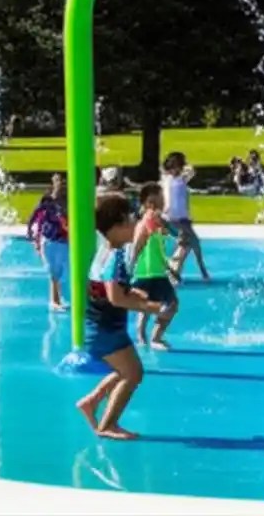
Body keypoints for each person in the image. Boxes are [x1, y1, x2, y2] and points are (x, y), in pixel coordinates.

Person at [75, 193, 171, 440]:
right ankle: (108, 424)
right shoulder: (115, 257)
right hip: (105, 331)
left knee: (123, 370)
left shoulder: (107, 251)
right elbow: (116, 298)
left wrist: (133, 292)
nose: (133, 226)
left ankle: (92, 401)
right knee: (133, 374)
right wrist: (151, 307)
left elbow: (112, 290)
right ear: (115, 228)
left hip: (104, 328)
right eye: (129, 222)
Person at [132, 183, 179, 349]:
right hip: (147, 273)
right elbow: (137, 245)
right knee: (160, 305)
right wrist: (130, 267)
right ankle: (148, 337)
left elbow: (158, 249)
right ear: (151, 202)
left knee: (155, 306)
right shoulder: (146, 221)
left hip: (157, 272)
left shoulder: (156, 222)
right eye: (161, 198)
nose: (164, 201)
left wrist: (169, 268)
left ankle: (150, 338)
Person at [163, 152, 211, 282]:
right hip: (177, 219)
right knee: (191, 243)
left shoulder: (176, 179)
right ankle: (177, 269)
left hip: (180, 220)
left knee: (191, 243)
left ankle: (197, 271)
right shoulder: (171, 180)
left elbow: (192, 170)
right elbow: (191, 171)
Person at [29, 173, 69, 311]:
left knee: (62, 271)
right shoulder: (47, 201)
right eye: (58, 181)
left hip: (64, 240)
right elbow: (36, 218)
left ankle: (59, 297)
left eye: (63, 181)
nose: (61, 184)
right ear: (53, 183)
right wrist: (34, 238)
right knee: (54, 271)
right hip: (50, 239)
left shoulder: (68, 200)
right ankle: (54, 301)